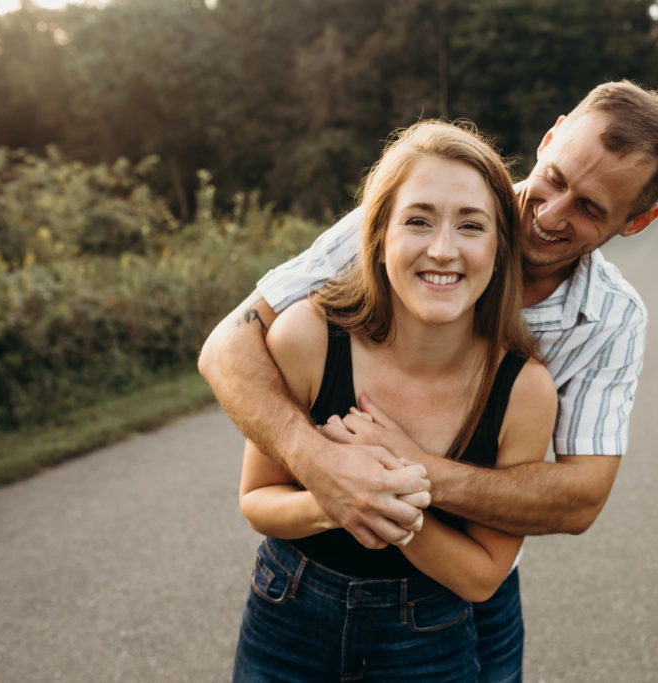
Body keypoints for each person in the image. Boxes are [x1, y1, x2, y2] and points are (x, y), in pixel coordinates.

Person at [201, 80, 658, 681]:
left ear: (637, 222)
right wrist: (321, 468)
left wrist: (400, 475)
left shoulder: (609, 321)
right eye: (555, 179)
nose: (551, 215)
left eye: (590, 208)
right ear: (550, 136)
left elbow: (580, 498)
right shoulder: (417, 212)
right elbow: (229, 344)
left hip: (467, 584)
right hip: (298, 594)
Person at [231, 119, 557, 681]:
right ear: (379, 238)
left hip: (429, 638)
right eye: (418, 220)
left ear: (501, 248)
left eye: (471, 226)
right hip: (287, 616)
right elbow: (258, 499)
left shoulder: (524, 391)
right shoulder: (307, 337)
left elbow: (483, 576)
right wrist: (335, 498)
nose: (443, 249)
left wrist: (393, 503)